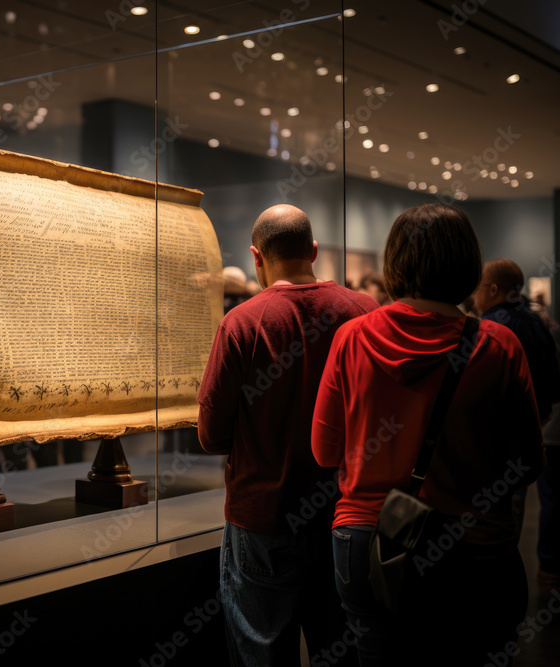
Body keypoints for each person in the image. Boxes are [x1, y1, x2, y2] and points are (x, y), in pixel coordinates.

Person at [312, 203, 545, 667]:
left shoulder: (351, 338)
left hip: (367, 541)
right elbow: (527, 464)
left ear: (394, 261)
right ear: (467, 264)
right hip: (475, 546)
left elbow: (323, 451)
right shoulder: (498, 345)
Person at [196, 204, 378, 666]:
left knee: (262, 654)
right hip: (343, 514)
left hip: (263, 519)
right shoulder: (364, 312)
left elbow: (212, 436)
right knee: (339, 651)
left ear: (257, 257)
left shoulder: (241, 323)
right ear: (313, 251)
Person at [472, 258, 560, 534]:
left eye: (478, 287)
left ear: (493, 289)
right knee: (514, 508)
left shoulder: (487, 329)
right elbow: (552, 383)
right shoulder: (536, 322)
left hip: (494, 441)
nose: (474, 294)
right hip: (530, 433)